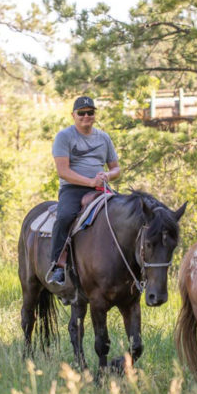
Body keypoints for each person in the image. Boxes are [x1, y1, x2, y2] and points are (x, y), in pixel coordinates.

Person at [47, 96, 121, 286]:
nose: (86, 116)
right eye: (81, 113)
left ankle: (125, 263)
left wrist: (108, 176)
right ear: (73, 115)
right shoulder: (64, 137)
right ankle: (57, 265)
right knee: (64, 217)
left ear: (94, 115)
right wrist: (89, 182)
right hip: (73, 189)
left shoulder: (103, 137)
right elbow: (63, 171)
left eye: (90, 112)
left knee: (125, 214)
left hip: (101, 187)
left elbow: (116, 168)